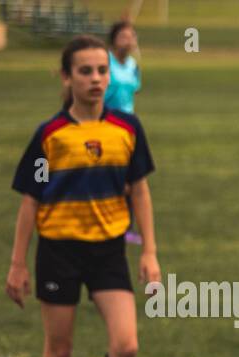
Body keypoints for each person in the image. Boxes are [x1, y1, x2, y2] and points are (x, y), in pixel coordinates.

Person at [6, 35, 159, 357]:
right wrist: (18, 264)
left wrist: (149, 250)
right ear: (66, 77)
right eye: (86, 71)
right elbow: (30, 202)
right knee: (58, 353)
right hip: (59, 251)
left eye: (102, 71)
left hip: (108, 250)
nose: (95, 79)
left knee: (126, 347)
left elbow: (141, 191)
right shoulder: (50, 136)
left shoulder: (127, 130)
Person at [104, 19, 143, 244]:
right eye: (123, 36)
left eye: (132, 36)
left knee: (131, 180)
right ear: (114, 39)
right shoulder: (104, 62)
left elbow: (134, 92)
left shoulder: (133, 66)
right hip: (105, 124)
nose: (128, 41)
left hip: (128, 128)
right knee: (107, 176)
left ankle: (126, 228)